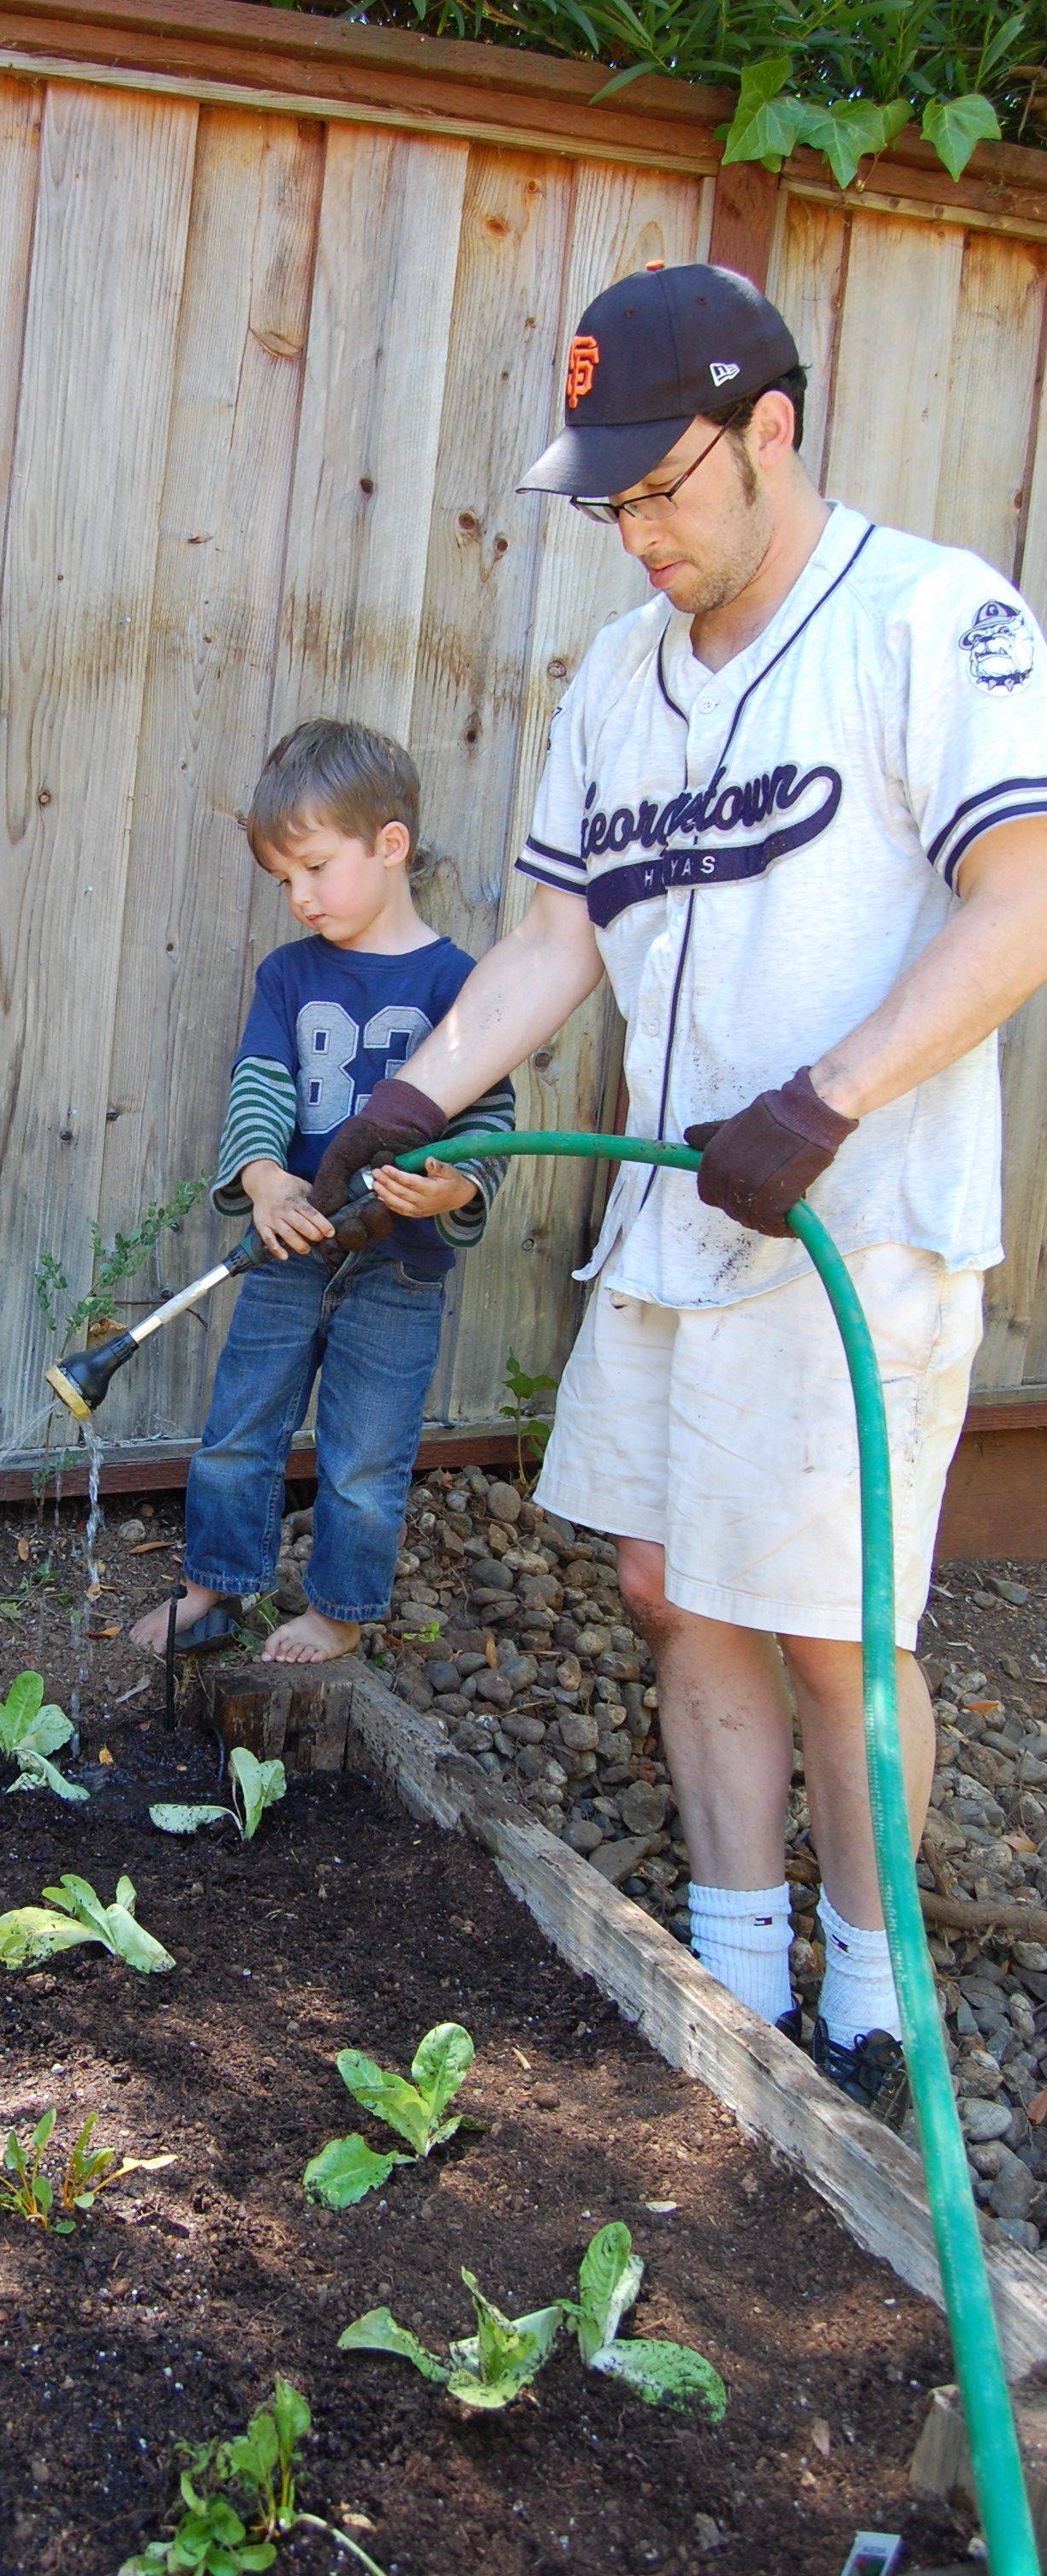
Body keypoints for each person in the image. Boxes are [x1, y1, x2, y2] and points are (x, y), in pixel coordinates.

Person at [309, 263, 1047, 2119]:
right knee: (667, 1583)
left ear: (769, 428)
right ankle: (731, 1979)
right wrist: (414, 1092)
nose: (637, 533)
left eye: (661, 487)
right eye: (611, 501)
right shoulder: (618, 680)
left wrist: (828, 1099)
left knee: (831, 1624)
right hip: (673, 1222)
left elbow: (1024, 897)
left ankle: (873, 2007)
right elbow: (561, 932)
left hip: (849, 1225)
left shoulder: (929, 618)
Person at [130, 719, 514, 1667]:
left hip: (400, 1267)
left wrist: (452, 1188)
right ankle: (214, 1583)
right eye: (283, 880)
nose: (299, 896)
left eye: (313, 867)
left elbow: (492, 1118)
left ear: (390, 845)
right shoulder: (289, 976)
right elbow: (259, 1086)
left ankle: (338, 1609)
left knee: (365, 1456)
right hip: (288, 1246)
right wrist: (264, 1180)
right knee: (239, 1427)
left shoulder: (458, 984)